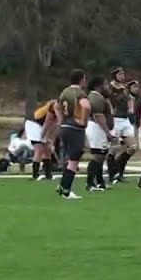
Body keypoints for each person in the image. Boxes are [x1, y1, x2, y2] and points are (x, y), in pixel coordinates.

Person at [53, 70, 91, 200]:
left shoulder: (65, 92)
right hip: (75, 128)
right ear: (81, 80)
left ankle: (62, 185)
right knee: (74, 160)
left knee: (70, 158)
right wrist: (83, 120)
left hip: (64, 127)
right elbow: (86, 106)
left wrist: (60, 120)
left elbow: (56, 106)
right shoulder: (80, 93)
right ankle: (66, 190)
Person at [105, 67, 139, 184]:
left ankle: (118, 169)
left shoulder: (124, 88)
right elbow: (106, 99)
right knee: (113, 148)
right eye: (120, 74)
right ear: (115, 75)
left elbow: (130, 99)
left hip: (124, 119)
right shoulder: (109, 87)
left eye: (123, 74)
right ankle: (111, 173)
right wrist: (110, 109)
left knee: (132, 147)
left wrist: (131, 108)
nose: (122, 76)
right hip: (114, 119)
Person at [84, 78, 116, 192]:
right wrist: (107, 132)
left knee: (101, 156)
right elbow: (98, 116)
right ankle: (89, 183)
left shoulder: (99, 97)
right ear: (99, 86)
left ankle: (100, 182)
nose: (108, 87)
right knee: (98, 156)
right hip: (97, 128)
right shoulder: (96, 97)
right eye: (106, 84)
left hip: (97, 127)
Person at [26, 99, 58, 181]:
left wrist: (51, 140)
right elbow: (48, 122)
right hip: (33, 124)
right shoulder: (54, 106)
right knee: (39, 149)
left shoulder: (63, 109)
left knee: (47, 150)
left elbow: (54, 125)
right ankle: (35, 175)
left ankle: (48, 174)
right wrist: (43, 137)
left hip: (41, 125)